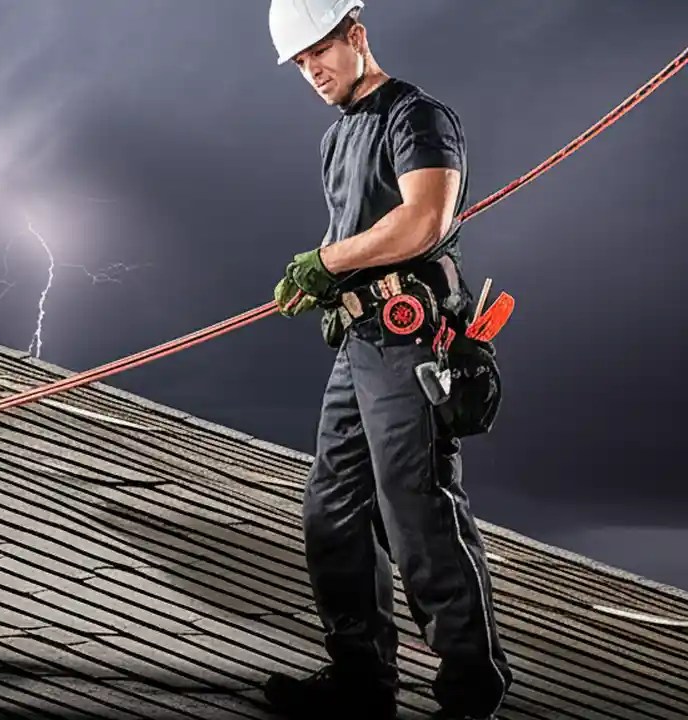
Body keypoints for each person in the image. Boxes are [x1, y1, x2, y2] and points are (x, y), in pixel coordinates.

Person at [263, 1, 513, 719]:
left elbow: (423, 220)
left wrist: (328, 260)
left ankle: (470, 692)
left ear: (357, 36)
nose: (312, 69)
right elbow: (357, 235)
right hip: (361, 345)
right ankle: (359, 680)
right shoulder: (336, 140)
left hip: (413, 347)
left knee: (419, 516)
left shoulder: (417, 117)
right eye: (300, 62)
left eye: (320, 51)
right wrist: (333, 284)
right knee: (332, 509)